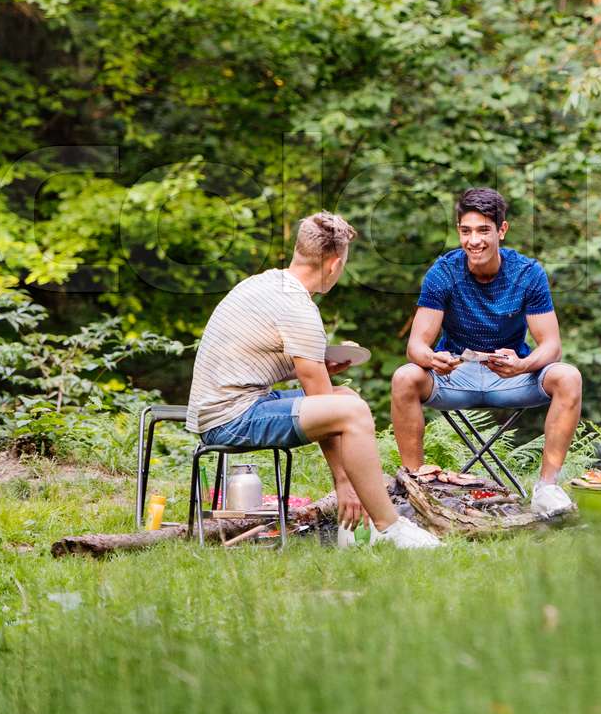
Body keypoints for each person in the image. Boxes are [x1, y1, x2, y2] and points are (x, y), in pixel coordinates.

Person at [187, 212, 440, 549]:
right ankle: (388, 527)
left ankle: (358, 530)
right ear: (334, 265)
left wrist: (316, 367)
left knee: (346, 394)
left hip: (227, 407)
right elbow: (323, 404)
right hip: (230, 419)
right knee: (353, 410)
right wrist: (343, 481)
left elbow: (255, 360)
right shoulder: (299, 308)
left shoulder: (266, 282)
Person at [391, 188, 583, 517]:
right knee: (404, 376)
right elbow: (416, 346)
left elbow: (552, 345)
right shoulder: (443, 272)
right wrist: (431, 359)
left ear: (501, 230)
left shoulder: (527, 273)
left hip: (510, 375)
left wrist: (523, 365)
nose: (473, 241)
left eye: (483, 230)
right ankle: (416, 489)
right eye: (466, 231)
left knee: (569, 376)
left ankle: (547, 488)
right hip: (454, 375)